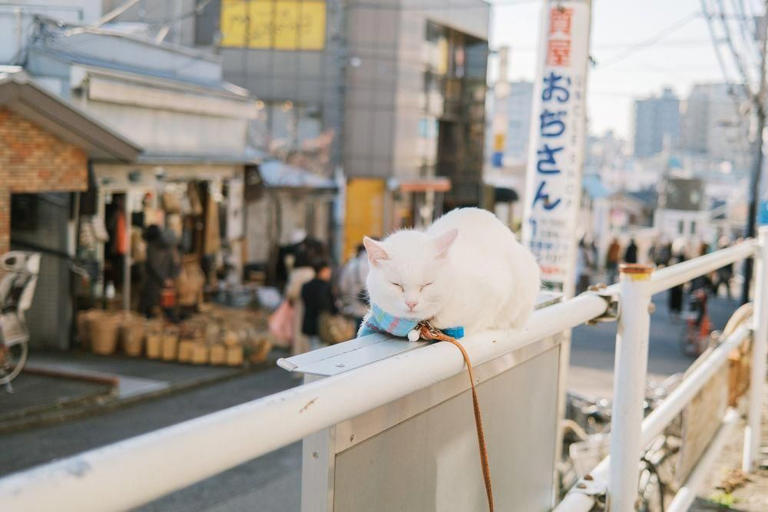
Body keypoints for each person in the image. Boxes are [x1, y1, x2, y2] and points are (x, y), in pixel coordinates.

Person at [139, 225, 180, 319]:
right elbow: (153, 267)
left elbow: (175, 265)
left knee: (167, 306)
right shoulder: (152, 248)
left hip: (163, 283)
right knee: (150, 307)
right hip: (154, 283)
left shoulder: (169, 249)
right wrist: (166, 279)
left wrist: (171, 277)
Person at [301, 261, 336, 351]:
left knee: (312, 347)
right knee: (321, 349)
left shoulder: (306, 285)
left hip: (309, 321)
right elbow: (327, 305)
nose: (329, 274)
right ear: (322, 271)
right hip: (322, 324)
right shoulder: (325, 286)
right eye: (328, 271)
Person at [338, 244, 370, 329]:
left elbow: (342, 286)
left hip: (355, 307)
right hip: (374, 310)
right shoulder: (375, 263)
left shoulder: (350, 264)